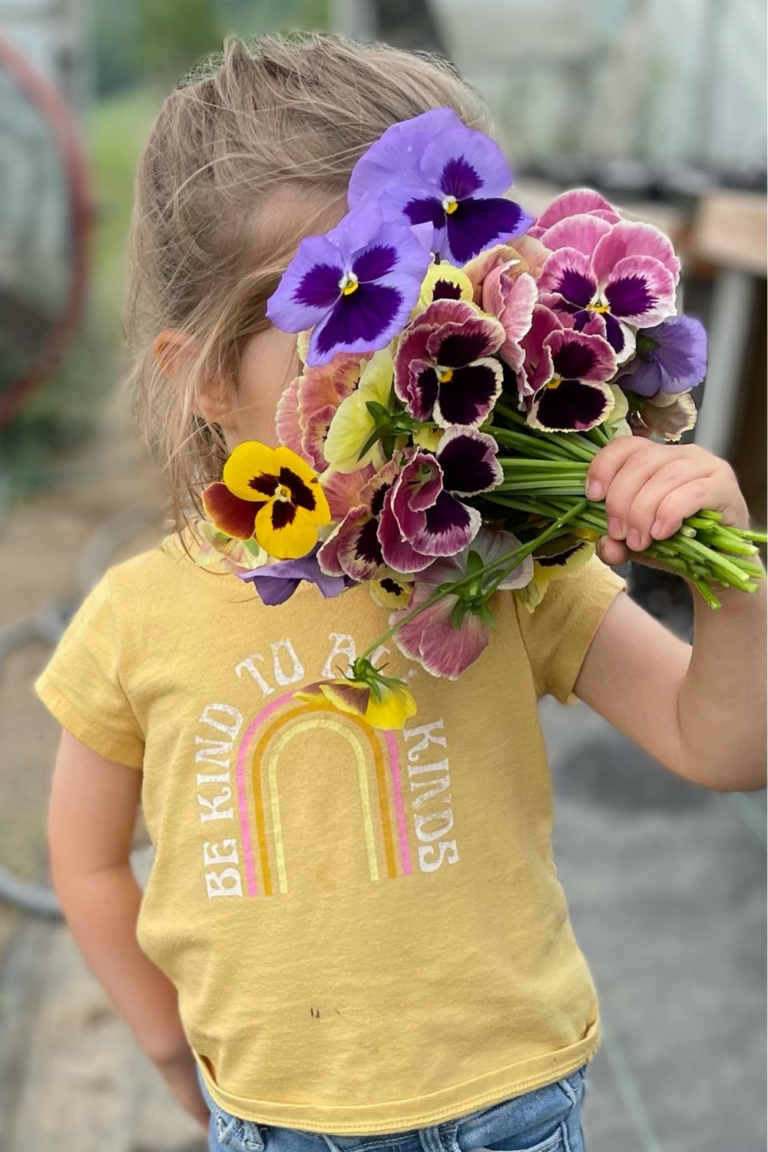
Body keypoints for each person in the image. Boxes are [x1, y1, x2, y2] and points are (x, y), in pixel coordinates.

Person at [39, 34, 766, 1152]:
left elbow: (719, 743)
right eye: (351, 345)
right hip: (275, 1123)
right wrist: (163, 1044)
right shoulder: (136, 615)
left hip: (513, 1110)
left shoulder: (506, 559)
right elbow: (84, 860)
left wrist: (730, 574)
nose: (415, 397)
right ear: (205, 377)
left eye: (443, 323)